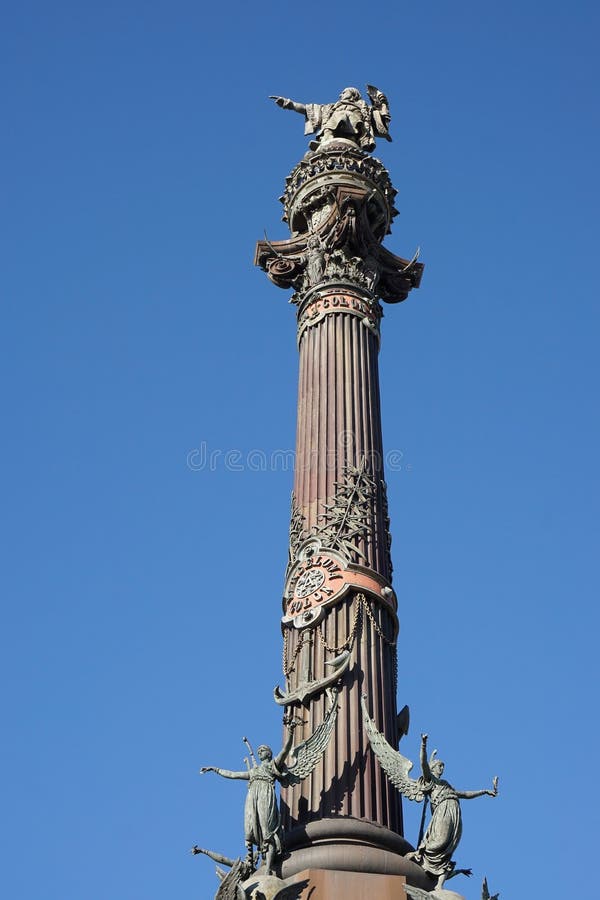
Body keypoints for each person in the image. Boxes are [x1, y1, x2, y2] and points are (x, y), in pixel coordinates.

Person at [410, 733, 498, 890]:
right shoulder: (430, 780)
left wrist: (484, 791)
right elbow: (423, 762)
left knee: (447, 846)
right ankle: (420, 856)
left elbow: (464, 794)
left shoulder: (446, 784)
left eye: (443, 766)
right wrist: (423, 744)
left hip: (453, 813)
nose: (442, 768)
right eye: (439, 765)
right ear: (432, 768)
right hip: (442, 811)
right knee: (440, 842)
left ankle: (439, 877)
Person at [200, 732, 294, 874]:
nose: (259, 753)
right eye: (258, 752)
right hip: (252, 799)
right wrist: (215, 769)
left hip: (265, 796)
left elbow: (286, 750)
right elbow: (233, 774)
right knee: (251, 830)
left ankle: (268, 868)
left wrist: (291, 732)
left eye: (262, 751)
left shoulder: (273, 765)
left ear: (269, 753)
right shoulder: (253, 771)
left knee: (267, 832)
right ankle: (265, 861)